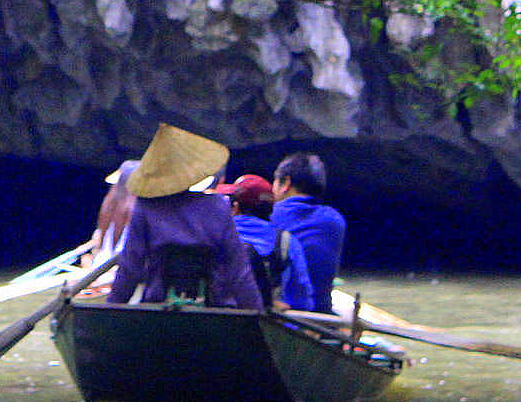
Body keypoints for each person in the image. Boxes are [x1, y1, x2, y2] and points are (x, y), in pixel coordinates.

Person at [105, 125, 263, 311]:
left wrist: (112, 308)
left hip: (159, 308)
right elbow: (238, 270)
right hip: (213, 309)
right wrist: (255, 313)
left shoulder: (145, 207)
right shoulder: (218, 206)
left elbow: (131, 268)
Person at [217, 174, 313, 311]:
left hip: (219, 316)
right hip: (267, 323)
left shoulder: (217, 234)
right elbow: (302, 299)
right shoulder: (288, 242)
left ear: (235, 207)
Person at [270, 151, 344, 313]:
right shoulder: (335, 220)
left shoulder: (269, 215)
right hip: (321, 314)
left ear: (286, 183)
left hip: (284, 314)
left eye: (275, 181)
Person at [86, 160, 138, 267]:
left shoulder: (108, 205)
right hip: (120, 270)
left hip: (100, 265)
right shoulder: (138, 211)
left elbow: (97, 243)